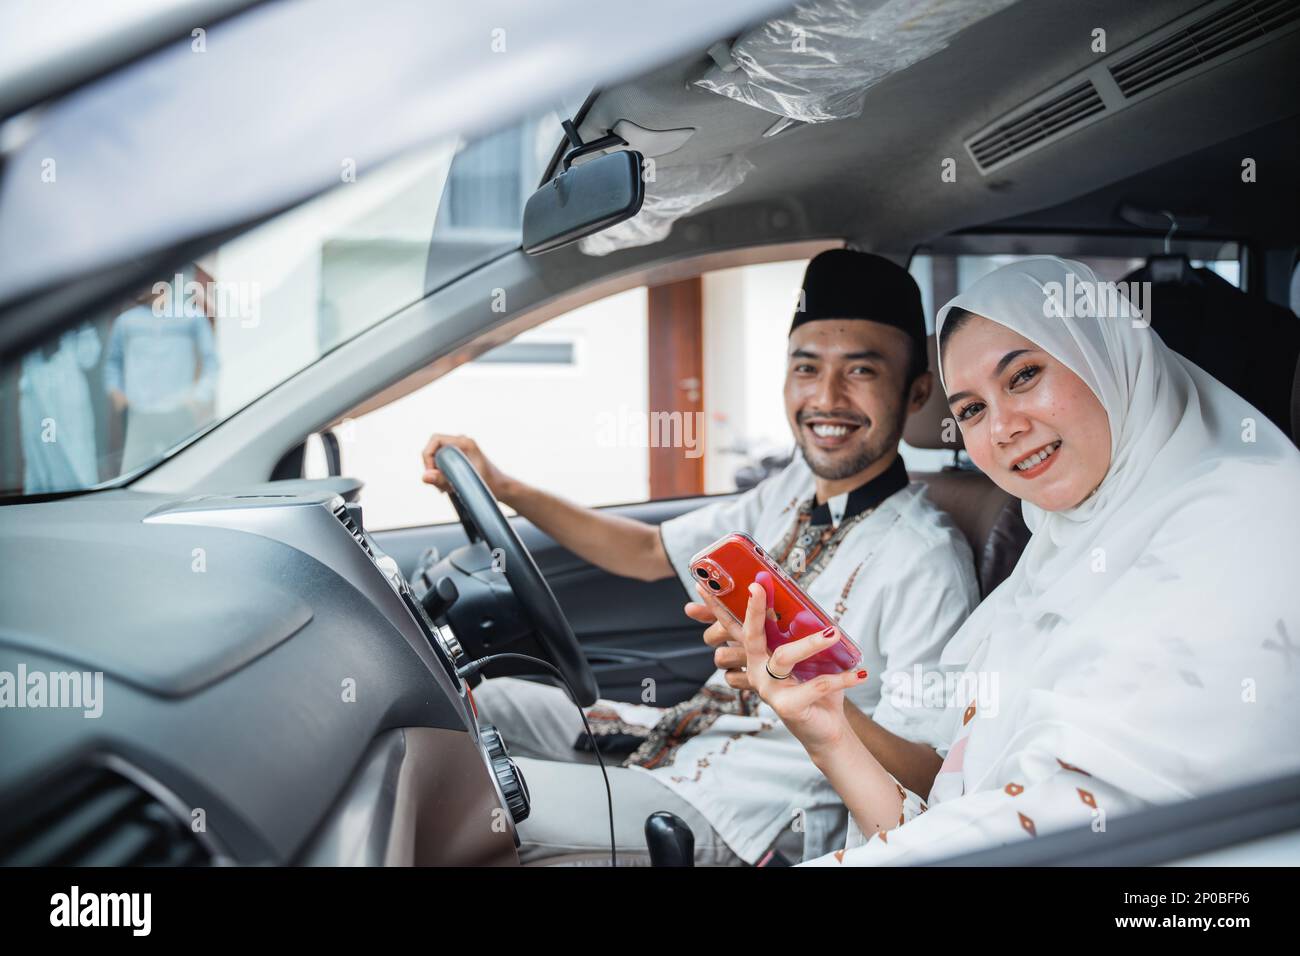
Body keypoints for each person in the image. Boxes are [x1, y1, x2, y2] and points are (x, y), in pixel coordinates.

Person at [693, 256, 1300, 865]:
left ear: (1109, 357)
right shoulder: (1045, 566)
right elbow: (950, 821)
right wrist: (826, 727)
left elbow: (1066, 828)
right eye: (973, 410)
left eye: (1025, 375)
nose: (1004, 427)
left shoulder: (1246, 518)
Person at [421, 250, 980, 865]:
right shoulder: (790, 489)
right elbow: (645, 550)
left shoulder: (926, 560)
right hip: (681, 741)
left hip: (746, 812)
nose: (826, 396)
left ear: (918, 391)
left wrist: (817, 698)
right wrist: (506, 486)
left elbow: (932, 773)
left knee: (460, 806)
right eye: (806, 367)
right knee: (479, 703)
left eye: (861, 372)